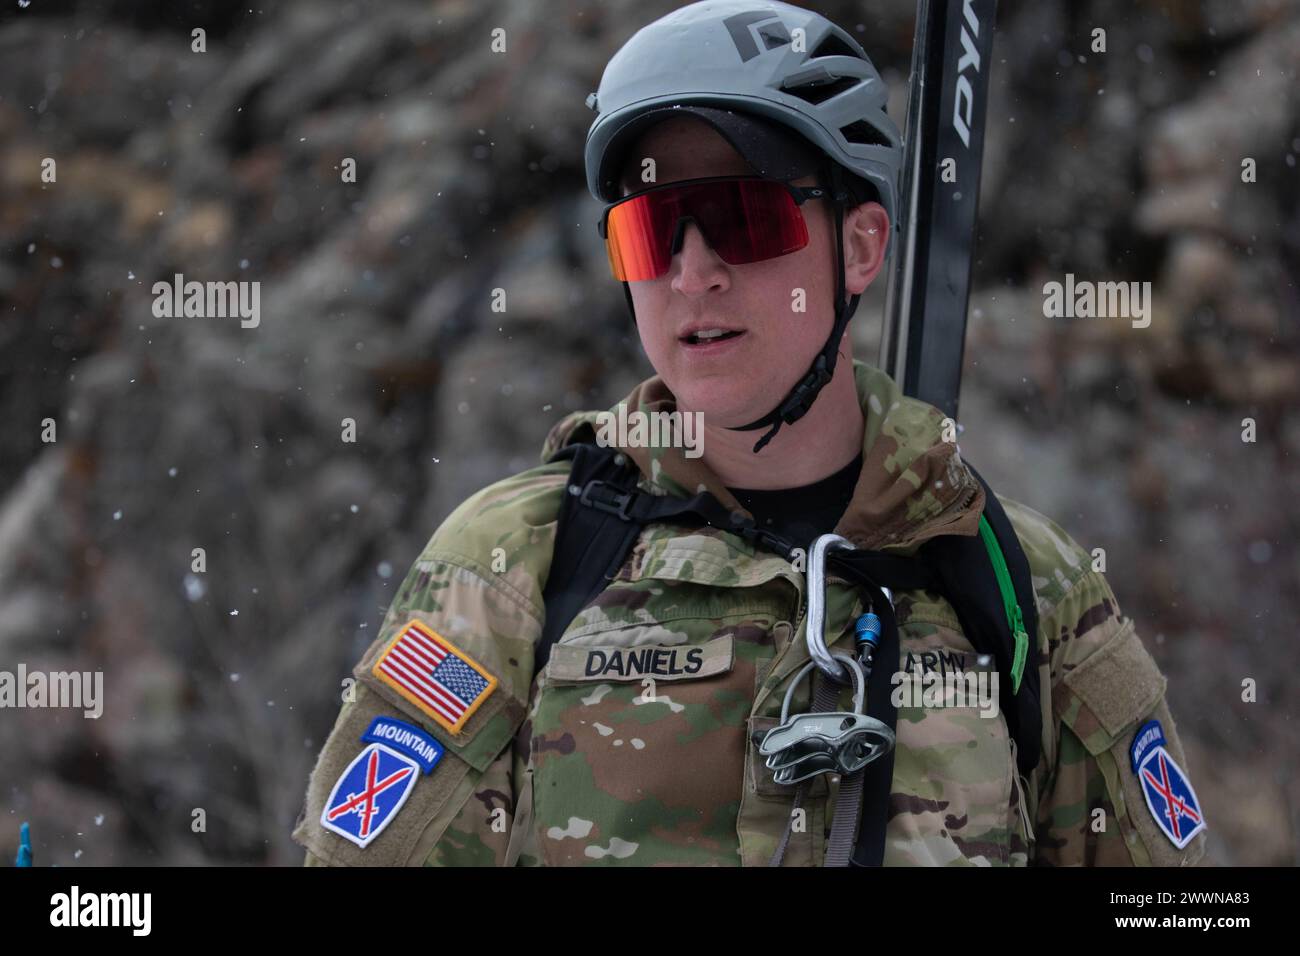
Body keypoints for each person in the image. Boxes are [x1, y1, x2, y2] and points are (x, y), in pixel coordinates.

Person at [293, 0, 1207, 867]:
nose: (694, 275)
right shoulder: (516, 565)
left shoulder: (1019, 583)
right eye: (651, 234)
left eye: (740, 218)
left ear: (858, 248)